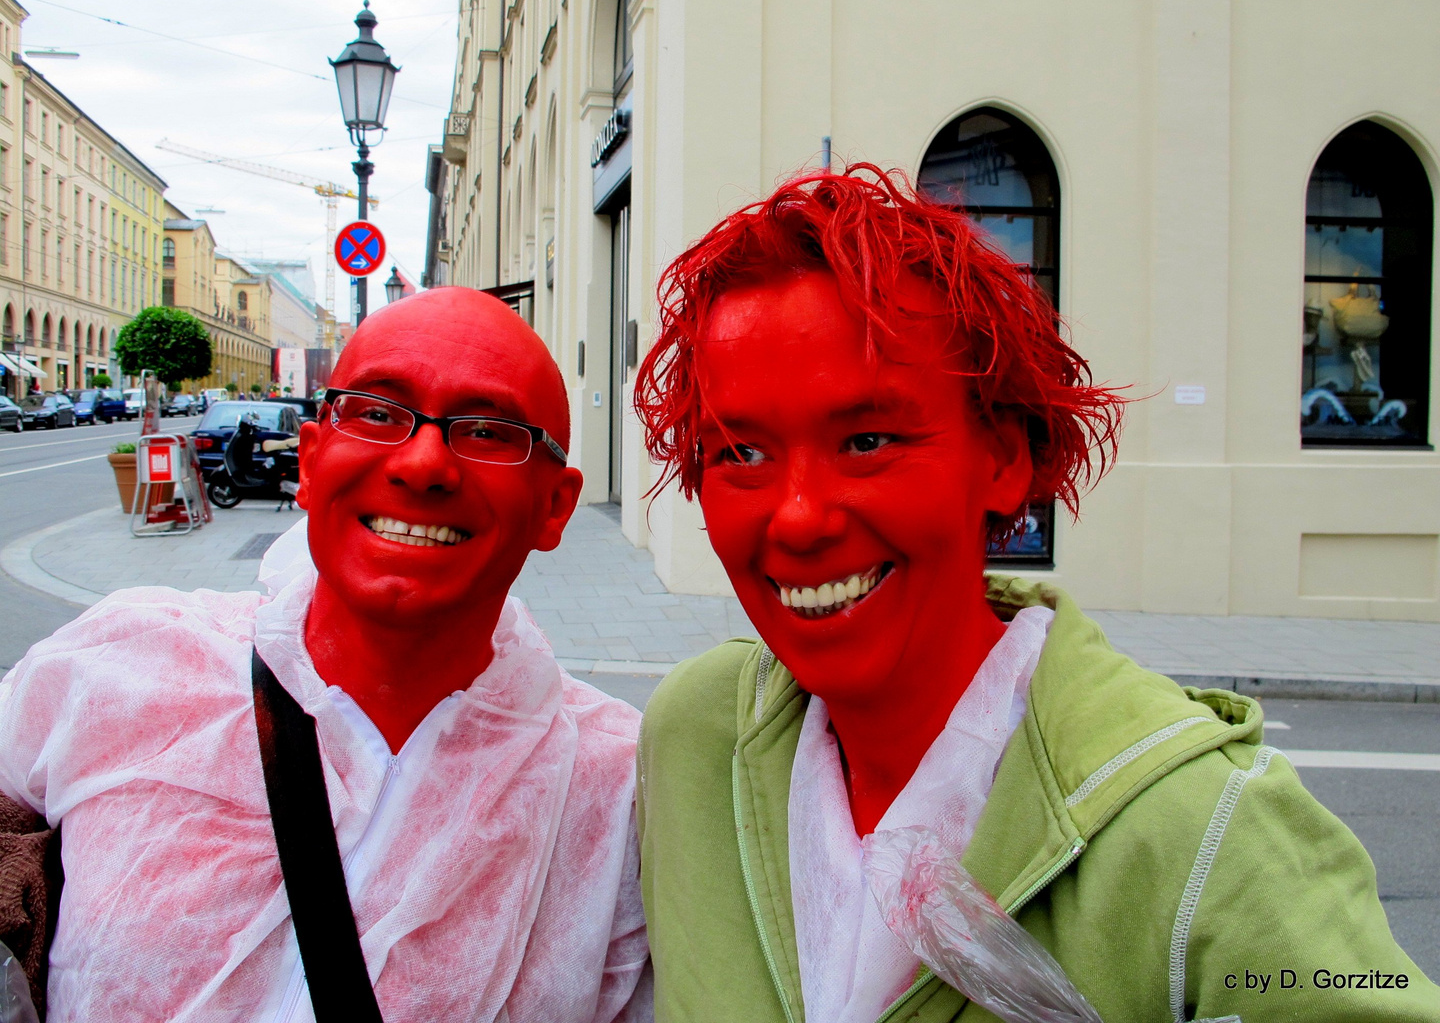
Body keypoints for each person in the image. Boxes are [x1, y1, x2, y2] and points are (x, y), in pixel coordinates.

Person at [631, 166, 1438, 1022]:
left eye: (867, 440)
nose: (796, 519)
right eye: (742, 455)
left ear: (1006, 459)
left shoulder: (1209, 835)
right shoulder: (694, 743)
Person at [0, 288, 651, 1022]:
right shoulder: (118, 665)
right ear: (310, 461)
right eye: (377, 414)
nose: (424, 462)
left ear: (555, 506)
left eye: (488, 430)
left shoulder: (618, 789)